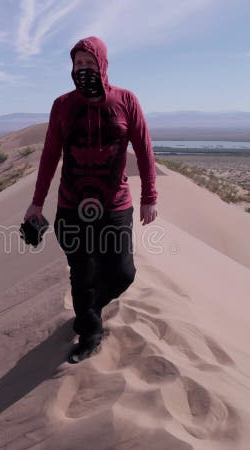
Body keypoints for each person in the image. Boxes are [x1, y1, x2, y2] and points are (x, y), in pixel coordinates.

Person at [24, 36, 158, 363]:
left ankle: (91, 309)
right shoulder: (62, 105)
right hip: (71, 205)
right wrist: (37, 202)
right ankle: (89, 333)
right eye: (78, 63)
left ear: (102, 64)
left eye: (89, 63)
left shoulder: (126, 101)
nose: (83, 69)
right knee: (80, 272)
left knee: (123, 272)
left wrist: (149, 196)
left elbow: (144, 149)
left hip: (115, 205)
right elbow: (50, 156)